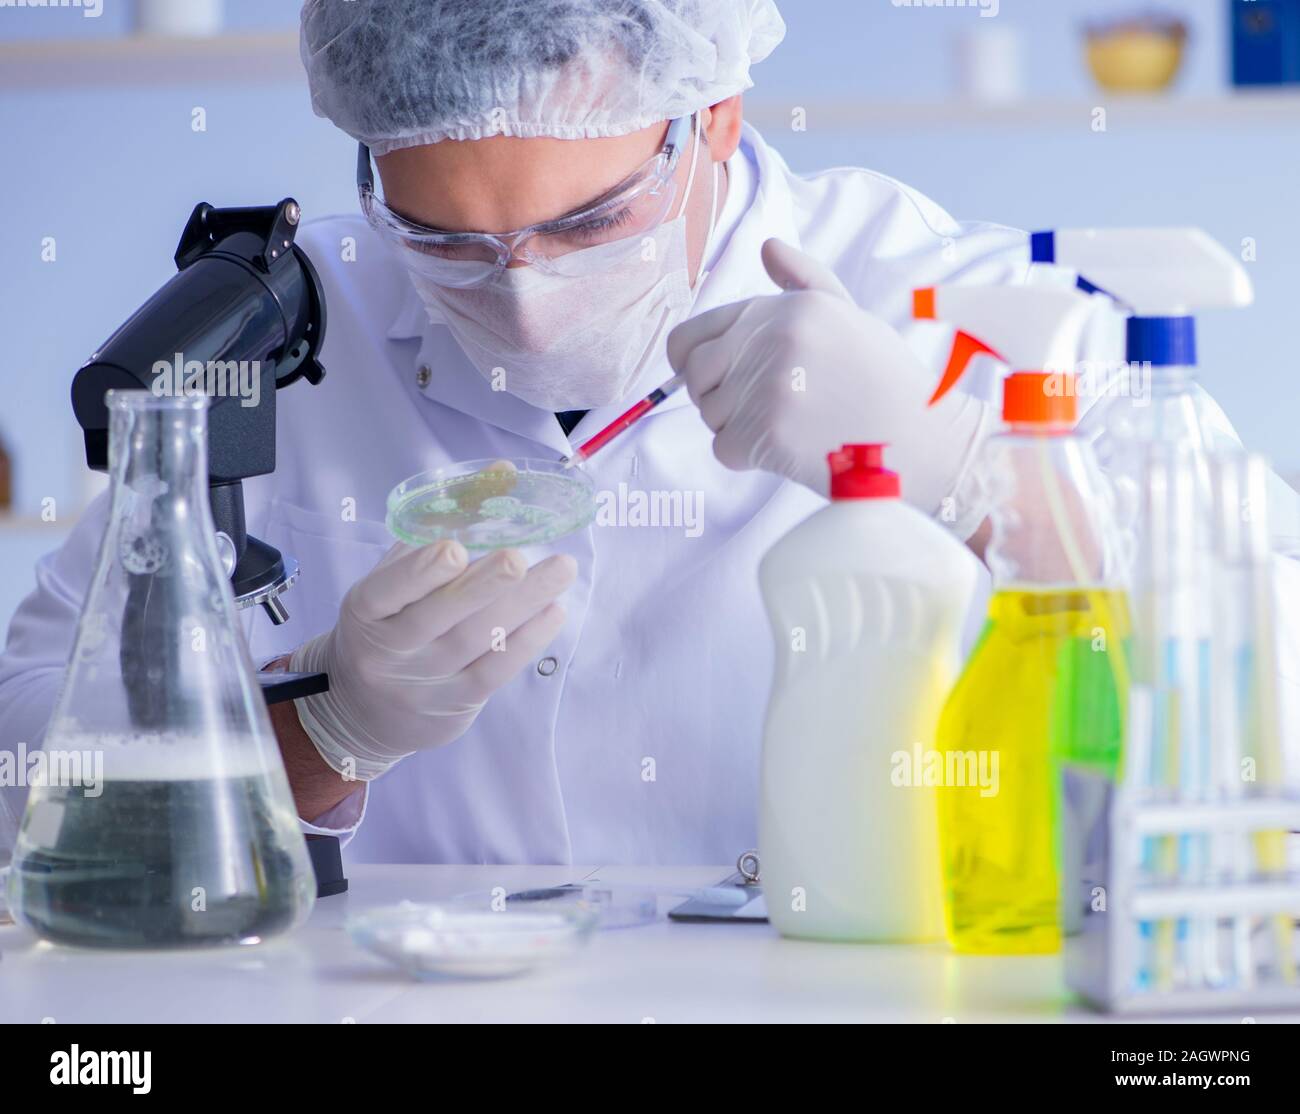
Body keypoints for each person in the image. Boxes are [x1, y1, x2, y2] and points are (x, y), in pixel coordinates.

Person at [2, 0, 1297, 865]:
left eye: (585, 224)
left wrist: (969, 473)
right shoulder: (278, 335)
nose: (516, 290)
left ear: (714, 121)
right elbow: (28, 783)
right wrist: (320, 737)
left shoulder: (980, 315)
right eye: (445, 239)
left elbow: (1265, 743)